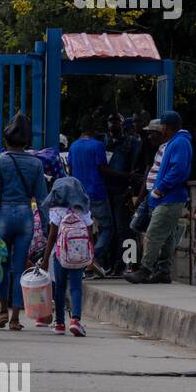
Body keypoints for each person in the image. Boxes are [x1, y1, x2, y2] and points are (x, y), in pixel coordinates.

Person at [0, 116, 48, 330]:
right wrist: (47, 229)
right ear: (27, 141)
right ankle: (16, 318)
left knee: (1, 265)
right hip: (25, 216)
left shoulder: (1, 161)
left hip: (5, 215)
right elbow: (43, 200)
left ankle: (2, 312)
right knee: (19, 268)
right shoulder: (36, 164)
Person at [126, 111, 192, 284]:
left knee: (154, 233)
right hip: (164, 196)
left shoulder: (180, 143)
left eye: (162, 125)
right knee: (168, 235)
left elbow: (178, 169)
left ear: (167, 127)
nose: (160, 129)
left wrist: (161, 188)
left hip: (169, 197)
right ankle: (163, 271)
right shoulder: (175, 142)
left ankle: (145, 270)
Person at [40, 177, 96, 336]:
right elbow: (90, 234)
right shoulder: (83, 209)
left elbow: (51, 236)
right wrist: (91, 256)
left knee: (60, 287)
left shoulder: (56, 210)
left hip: (60, 255)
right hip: (78, 256)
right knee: (76, 287)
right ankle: (76, 320)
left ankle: (59, 323)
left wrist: (45, 260)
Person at [67, 113, 114, 277]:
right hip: (97, 192)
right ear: (93, 128)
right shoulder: (98, 145)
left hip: (78, 195)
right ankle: (93, 257)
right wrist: (125, 175)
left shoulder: (73, 146)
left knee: (82, 229)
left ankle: (84, 260)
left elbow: (70, 171)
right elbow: (102, 169)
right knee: (107, 227)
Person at [104, 114, 142, 276]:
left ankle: (128, 264)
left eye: (117, 121)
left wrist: (131, 188)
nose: (114, 124)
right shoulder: (104, 143)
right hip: (107, 192)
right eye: (111, 121)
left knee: (125, 230)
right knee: (112, 230)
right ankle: (113, 263)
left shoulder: (130, 143)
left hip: (122, 192)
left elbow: (135, 170)